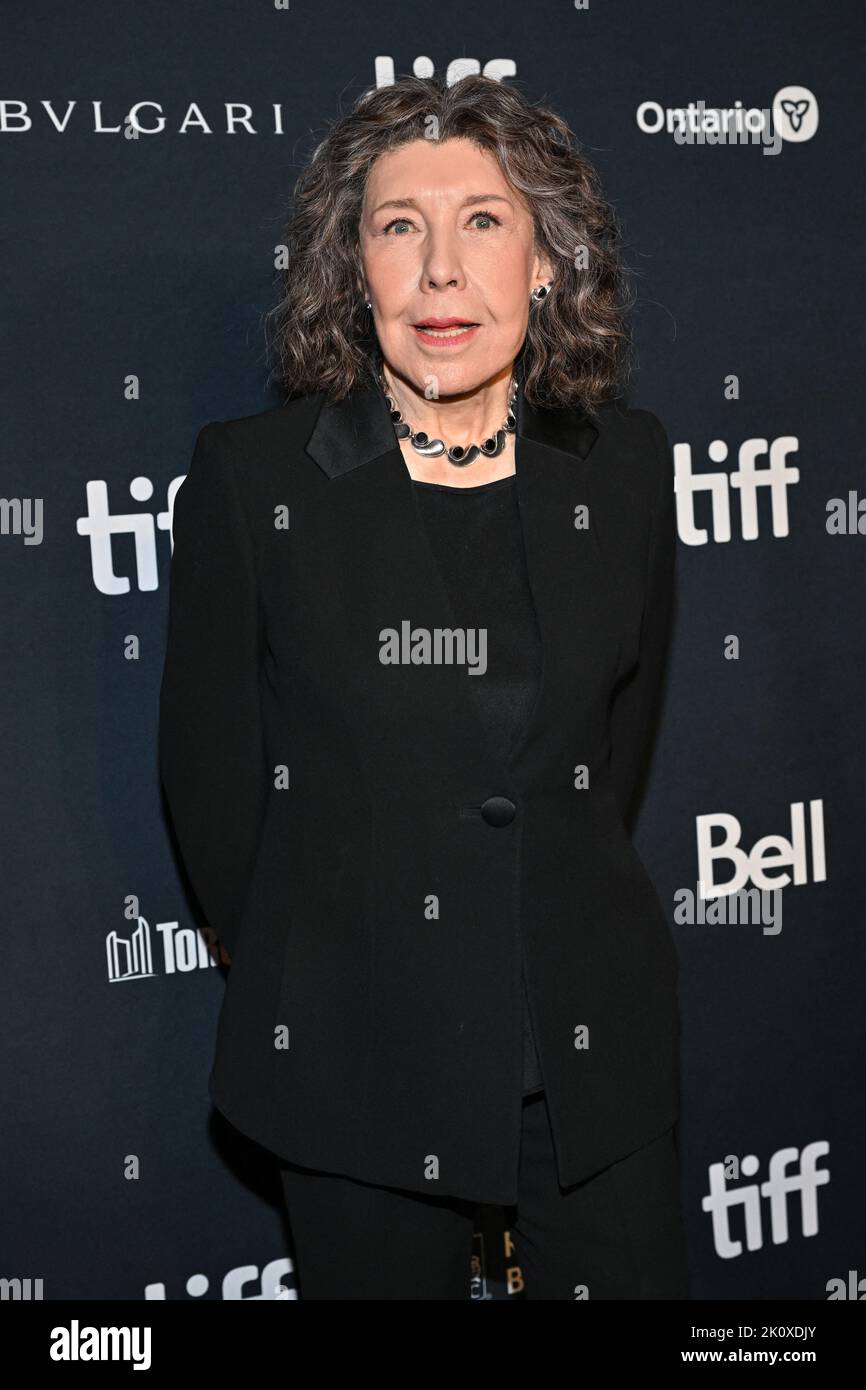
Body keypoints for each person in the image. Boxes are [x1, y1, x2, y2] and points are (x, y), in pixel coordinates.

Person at [159, 72, 687, 1300]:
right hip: (351, 1059)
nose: (441, 271)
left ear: (546, 262)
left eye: (484, 222)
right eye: (400, 226)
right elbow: (214, 788)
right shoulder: (251, 482)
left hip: (590, 1056)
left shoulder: (626, 466)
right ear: (352, 272)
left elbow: (615, 746)